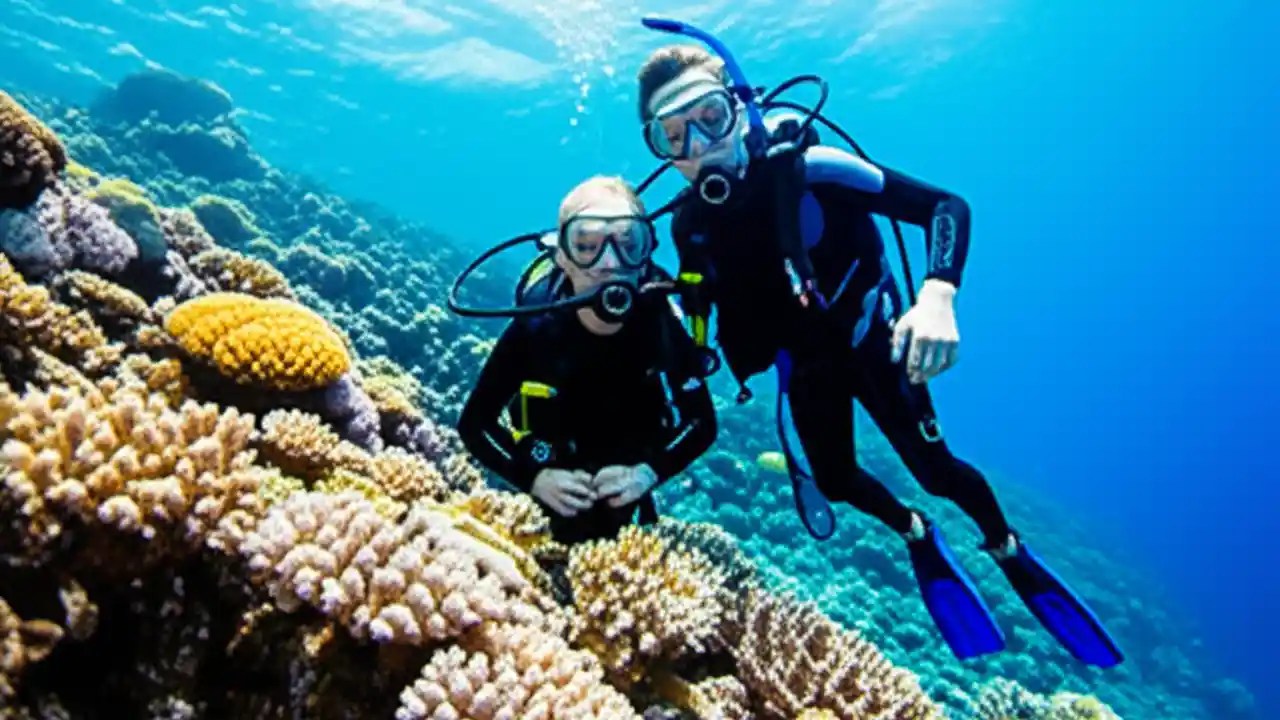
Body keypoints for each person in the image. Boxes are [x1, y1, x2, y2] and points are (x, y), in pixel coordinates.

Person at [627, 32, 1122, 668]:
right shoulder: (689, 223)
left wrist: (938, 295)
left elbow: (944, 205)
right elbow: (700, 303)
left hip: (870, 342)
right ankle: (915, 532)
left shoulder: (809, 169)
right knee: (835, 481)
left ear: (740, 108)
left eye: (710, 118)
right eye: (673, 136)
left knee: (937, 473)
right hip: (804, 365)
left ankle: (1004, 545)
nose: (699, 146)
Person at [456, 175, 717, 546]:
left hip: (626, 479)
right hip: (548, 467)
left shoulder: (661, 323)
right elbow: (475, 424)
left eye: (627, 244)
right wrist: (531, 477)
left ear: (646, 253)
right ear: (562, 256)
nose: (608, 263)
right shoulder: (536, 323)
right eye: (586, 245)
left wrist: (648, 472)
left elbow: (702, 422)